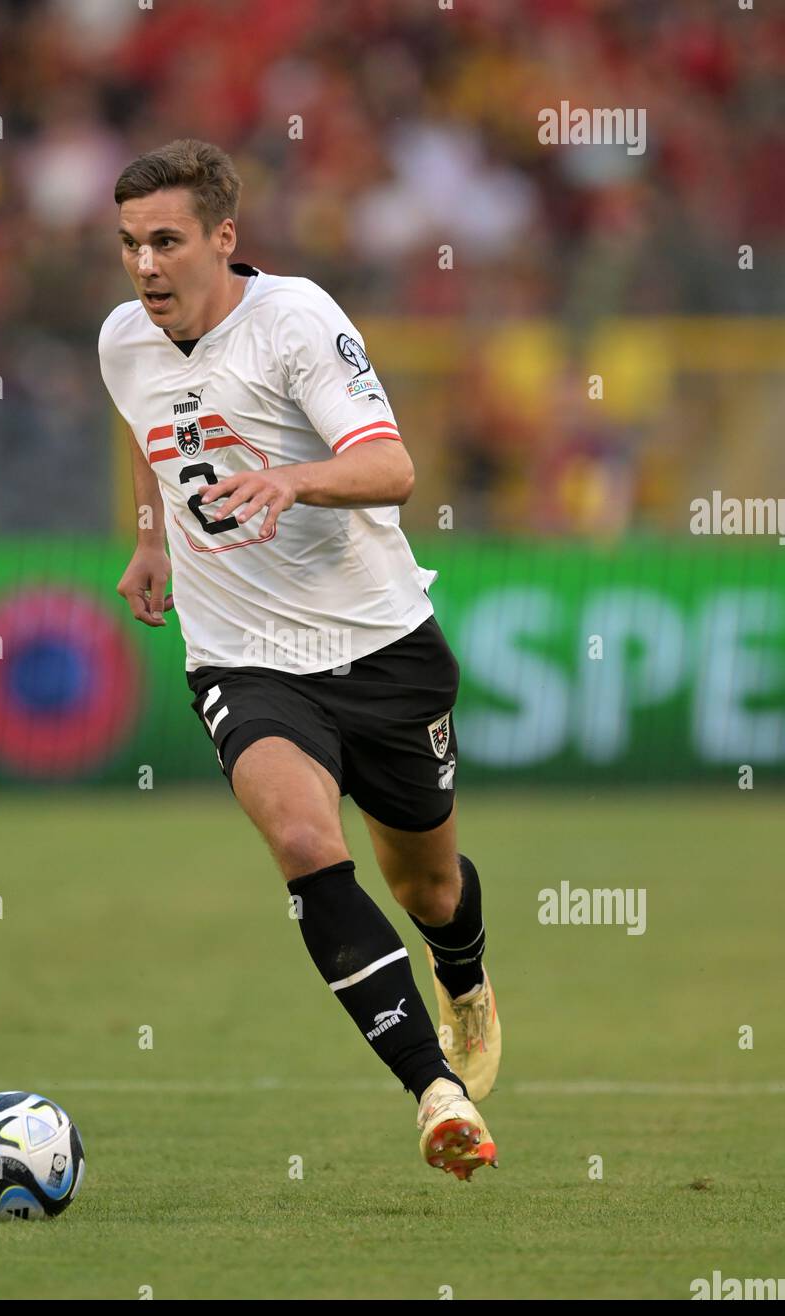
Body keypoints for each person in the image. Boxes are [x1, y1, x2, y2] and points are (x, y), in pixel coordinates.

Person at [99, 138, 501, 1181]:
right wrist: (152, 537)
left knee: (429, 883)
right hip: (242, 658)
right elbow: (153, 441)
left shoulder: (296, 320)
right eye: (132, 244)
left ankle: (463, 977)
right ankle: (434, 1090)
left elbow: (394, 465)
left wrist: (294, 480)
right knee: (300, 837)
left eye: (168, 243)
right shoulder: (123, 342)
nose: (146, 267)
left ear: (223, 240)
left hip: (380, 645)